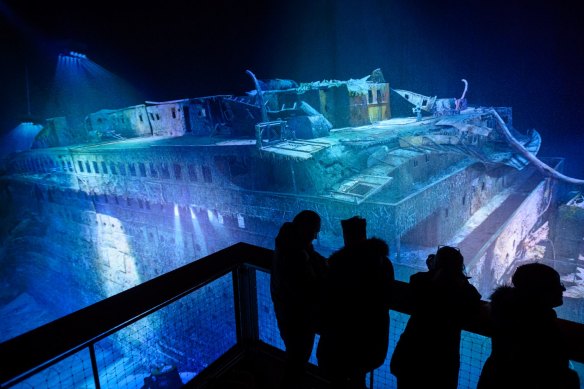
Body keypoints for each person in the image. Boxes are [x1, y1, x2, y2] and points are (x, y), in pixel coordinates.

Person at [317, 216, 394, 388]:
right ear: (364, 234)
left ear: (347, 236)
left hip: (342, 337)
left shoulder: (339, 266)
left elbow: (330, 299)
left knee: (339, 378)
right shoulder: (384, 263)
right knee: (359, 376)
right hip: (372, 335)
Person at [390, 245, 481, 389]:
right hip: (443, 362)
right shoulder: (465, 292)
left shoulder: (420, 282)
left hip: (412, 356)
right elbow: (473, 296)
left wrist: (433, 270)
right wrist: (459, 277)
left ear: (437, 264)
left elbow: (418, 280)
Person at [477, 263, 579, 389]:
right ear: (539, 291)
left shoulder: (508, 314)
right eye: (556, 285)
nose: (562, 289)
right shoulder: (539, 327)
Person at [270, 210, 327, 389]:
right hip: (296, 320)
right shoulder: (295, 255)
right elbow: (306, 288)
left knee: (296, 360)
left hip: (292, 317)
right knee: (297, 362)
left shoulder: (293, 246)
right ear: (304, 228)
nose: (315, 236)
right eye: (314, 231)